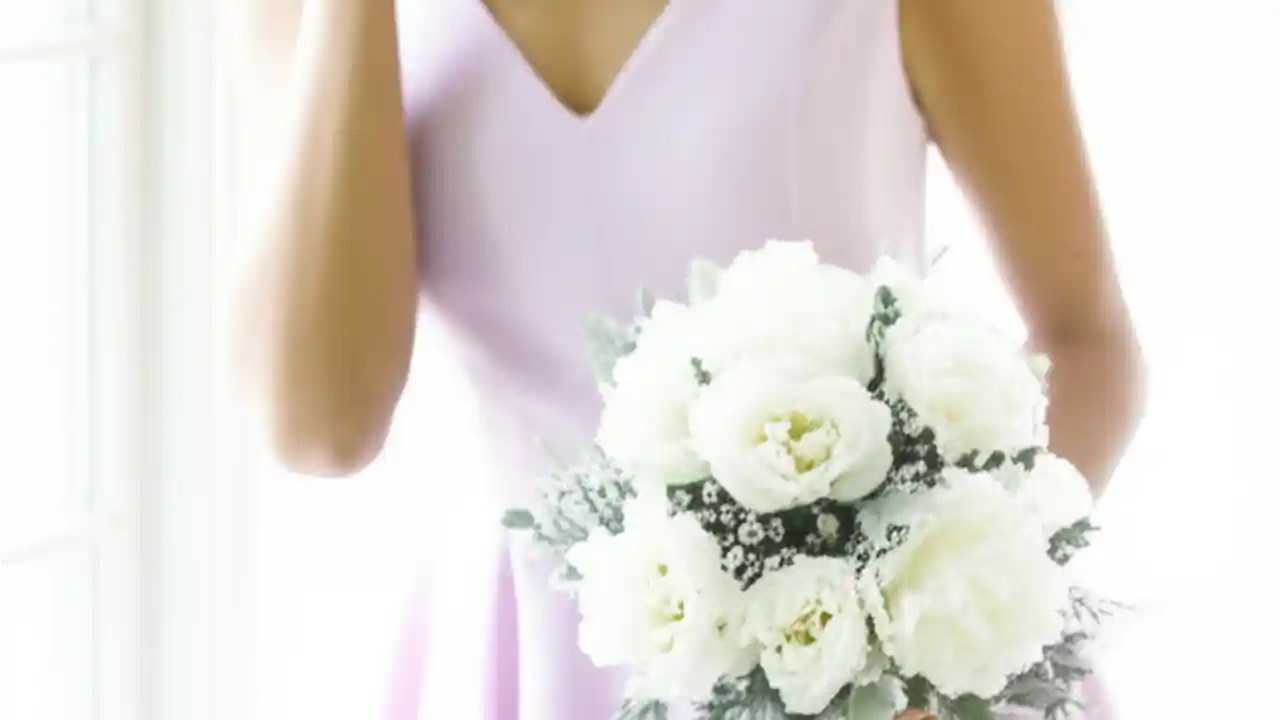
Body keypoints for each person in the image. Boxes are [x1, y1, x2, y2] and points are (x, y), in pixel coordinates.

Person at [232, 0, 1146, 717]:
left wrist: (920, 649)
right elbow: (322, 426)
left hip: (853, 670)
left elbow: (1087, 340)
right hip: (513, 664)